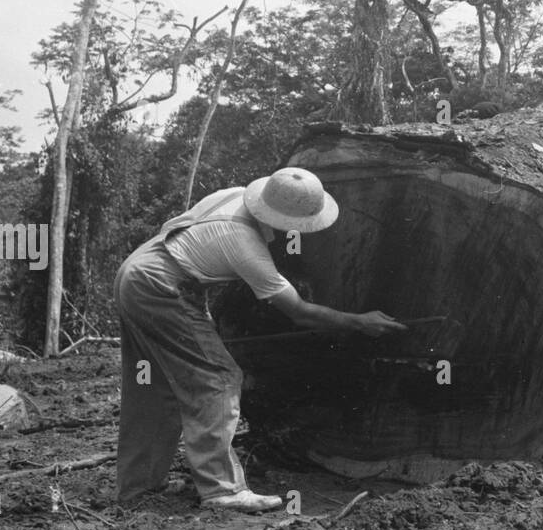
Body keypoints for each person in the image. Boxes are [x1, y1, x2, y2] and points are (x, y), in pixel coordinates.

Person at [114, 167, 406, 512]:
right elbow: (300, 312)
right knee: (218, 379)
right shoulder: (245, 245)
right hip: (162, 286)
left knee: (156, 387)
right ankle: (221, 490)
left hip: (136, 272)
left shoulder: (235, 195)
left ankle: (140, 486)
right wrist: (359, 322)